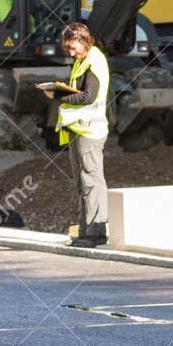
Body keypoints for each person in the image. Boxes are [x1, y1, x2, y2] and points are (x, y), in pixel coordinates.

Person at [40, 22, 109, 249]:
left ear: (84, 41)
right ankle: (85, 231)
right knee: (82, 182)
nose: (70, 52)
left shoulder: (94, 60)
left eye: (73, 47)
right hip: (78, 130)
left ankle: (96, 233)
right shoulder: (81, 61)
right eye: (67, 48)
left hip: (90, 131)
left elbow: (89, 96)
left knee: (92, 180)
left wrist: (59, 96)